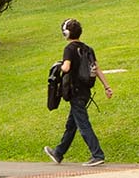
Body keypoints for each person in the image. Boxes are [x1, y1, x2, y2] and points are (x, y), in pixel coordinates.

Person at [43, 17, 112, 167]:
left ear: (66, 34)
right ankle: (58, 153)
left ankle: (97, 154)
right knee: (72, 124)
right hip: (85, 92)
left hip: (75, 92)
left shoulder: (69, 49)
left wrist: (59, 66)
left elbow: (66, 68)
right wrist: (107, 87)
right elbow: (97, 69)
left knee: (83, 124)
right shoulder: (88, 49)